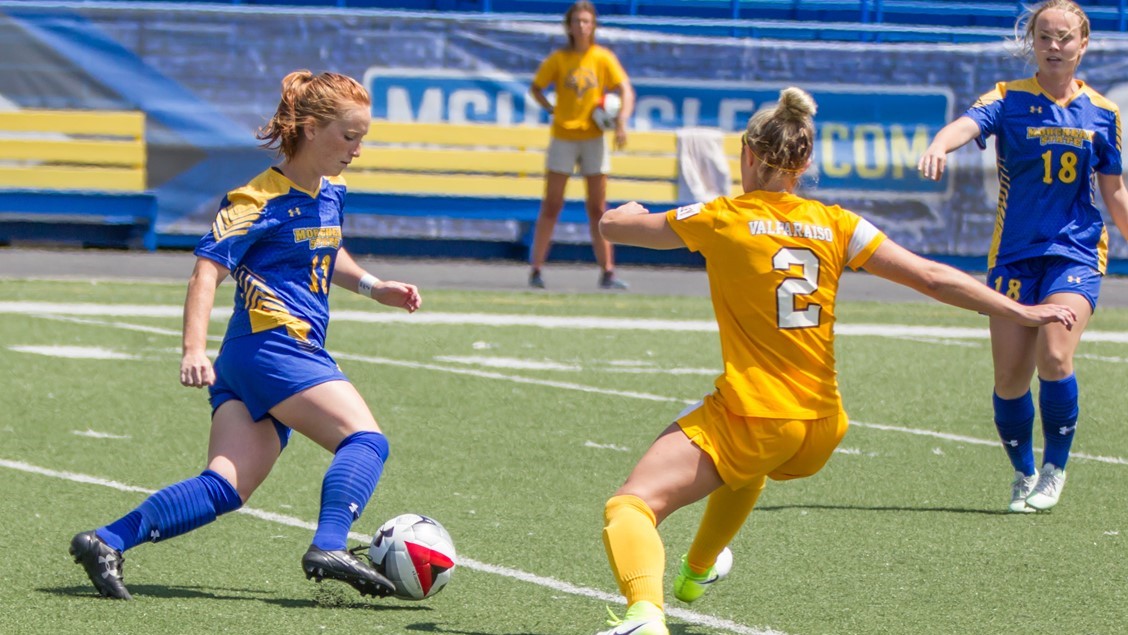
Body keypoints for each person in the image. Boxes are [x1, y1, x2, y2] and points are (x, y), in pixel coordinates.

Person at [592, 87, 1078, 635]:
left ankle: (644, 616)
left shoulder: (721, 216)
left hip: (759, 416)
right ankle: (696, 573)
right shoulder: (837, 223)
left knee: (630, 507)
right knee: (744, 468)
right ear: (803, 165)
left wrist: (623, 213)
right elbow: (934, 277)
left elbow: (616, 229)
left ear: (749, 156)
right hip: (821, 427)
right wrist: (1021, 311)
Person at [68, 70, 422, 600]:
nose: (357, 149)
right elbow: (206, 270)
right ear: (308, 128)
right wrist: (192, 349)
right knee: (366, 441)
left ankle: (107, 541)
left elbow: (326, 248)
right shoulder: (255, 198)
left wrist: (374, 287)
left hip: (252, 361)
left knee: (224, 488)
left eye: (363, 138)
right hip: (276, 348)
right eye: (349, 137)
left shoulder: (331, 193)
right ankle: (328, 543)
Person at [918, 0, 1128, 513]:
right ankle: (1024, 473)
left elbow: (1115, 192)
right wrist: (941, 145)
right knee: (1010, 380)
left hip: (1075, 252)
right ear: (1032, 42)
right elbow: (966, 124)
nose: (1054, 47)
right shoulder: (1008, 99)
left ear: (1084, 44)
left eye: (1064, 38)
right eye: (1045, 37)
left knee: (1054, 356)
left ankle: (1055, 468)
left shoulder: (1103, 112)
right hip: (1013, 257)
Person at [528, 0, 635, 290]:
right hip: (564, 135)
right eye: (577, 21)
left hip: (593, 137)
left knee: (598, 207)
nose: (582, 26)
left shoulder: (602, 58)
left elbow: (625, 89)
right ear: (569, 26)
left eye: (587, 21)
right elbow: (537, 87)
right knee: (552, 204)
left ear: (594, 25)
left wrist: (621, 120)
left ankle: (607, 271)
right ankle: (536, 268)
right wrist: (552, 108)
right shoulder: (559, 59)